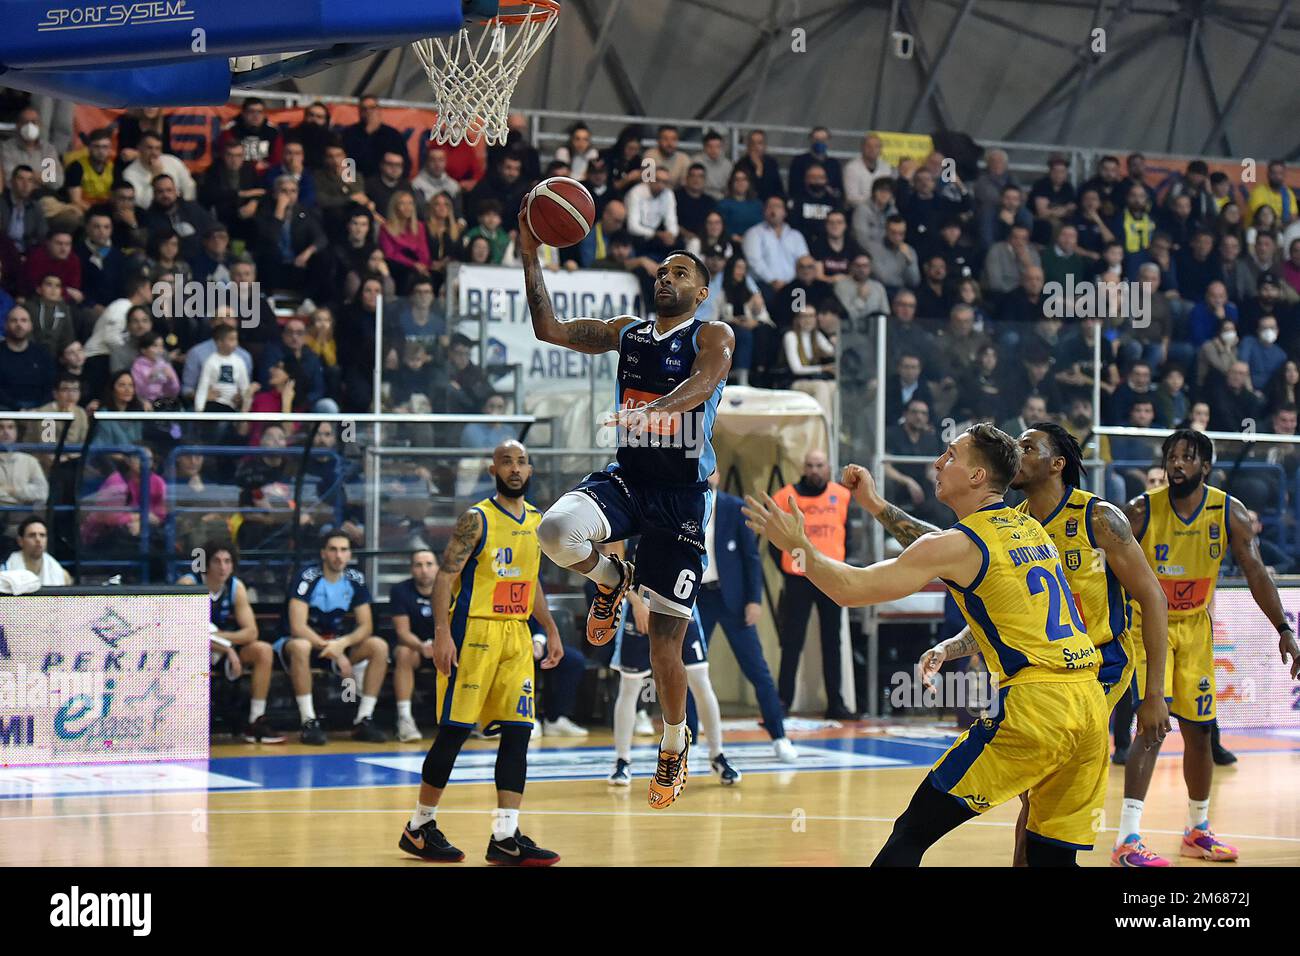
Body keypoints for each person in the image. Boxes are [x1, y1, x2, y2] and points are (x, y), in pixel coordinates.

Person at [742, 424, 1129, 867]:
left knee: (911, 831)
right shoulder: (1029, 528)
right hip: (1091, 702)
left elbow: (851, 588)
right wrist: (875, 504)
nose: (937, 463)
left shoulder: (962, 543)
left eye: (950, 455)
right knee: (1049, 860)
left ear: (977, 476)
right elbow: (945, 550)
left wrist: (797, 547)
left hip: (1036, 705)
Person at [873, 426, 1171, 866]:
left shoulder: (1098, 518)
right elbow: (998, 603)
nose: (1017, 449)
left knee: (1036, 798)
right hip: (1043, 676)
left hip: (1096, 668)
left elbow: (1153, 597)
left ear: (1057, 464)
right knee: (1036, 804)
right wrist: (953, 647)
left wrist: (1153, 695)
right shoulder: (1016, 523)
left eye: (1029, 446)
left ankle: (1129, 836)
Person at [519, 207, 733, 811]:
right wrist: (531, 252)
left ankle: (672, 742)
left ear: (701, 290)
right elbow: (549, 329)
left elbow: (705, 383)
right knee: (557, 530)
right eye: (661, 270)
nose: (666, 278)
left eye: (680, 272)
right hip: (629, 480)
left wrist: (657, 410)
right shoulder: (628, 332)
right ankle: (613, 582)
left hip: (683, 502)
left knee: (665, 640)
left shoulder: (711, 335)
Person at [1114, 430, 1300, 865]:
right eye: (1171, 457)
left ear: (1206, 467)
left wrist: (1284, 629)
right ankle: (1127, 839)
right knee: (1151, 726)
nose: (1177, 464)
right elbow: (1104, 571)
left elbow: (1255, 572)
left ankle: (1197, 830)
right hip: (1148, 628)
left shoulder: (1228, 512)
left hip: (1195, 628)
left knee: (1200, 731)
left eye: (1188, 458)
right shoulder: (1140, 512)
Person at [397, 440, 564, 865]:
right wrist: (440, 633)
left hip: (516, 636)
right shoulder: (476, 518)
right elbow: (444, 576)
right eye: (506, 461)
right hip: (473, 633)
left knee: (519, 731)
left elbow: (531, 581)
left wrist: (548, 625)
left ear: (530, 471)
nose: (515, 468)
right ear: (493, 470)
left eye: (522, 462)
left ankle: (505, 835)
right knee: (454, 732)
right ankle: (419, 826)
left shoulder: (538, 522)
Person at [606, 537, 740, 787]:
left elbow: (697, 563)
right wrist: (636, 602)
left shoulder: (684, 512)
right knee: (630, 686)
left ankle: (717, 755)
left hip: (679, 606)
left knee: (700, 680)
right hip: (639, 610)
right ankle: (622, 761)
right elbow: (614, 568)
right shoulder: (630, 516)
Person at [696, 470, 794, 761]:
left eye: (709, 470)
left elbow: (751, 558)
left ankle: (779, 735)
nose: (705, 475)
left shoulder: (733, 507)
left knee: (757, 669)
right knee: (690, 671)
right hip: (697, 597)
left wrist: (754, 600)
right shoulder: (682, 506)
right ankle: (686, 741)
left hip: (733, 599)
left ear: (717, 474)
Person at [276, 530, 390, 745]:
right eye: (333, 549)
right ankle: (308, 721)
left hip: (337, 645)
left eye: (344, 550)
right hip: (304, 645)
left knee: (379, 646)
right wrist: (334, 652)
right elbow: (297, 626)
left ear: (349, 554)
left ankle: (363, 719)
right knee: (300, 646)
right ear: (323, 553)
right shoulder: (307, 576)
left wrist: (342, 645)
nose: (339, 555)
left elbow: (366, 626)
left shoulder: (355, 578)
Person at [770, 450, 854, 719]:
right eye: (810, 465)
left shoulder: (841, 495)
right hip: (798, 578)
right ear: (803, 468)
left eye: (819, 465)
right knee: (792, 641)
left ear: (827, 467)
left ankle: (836, 704)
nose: (815, 470)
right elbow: (773, 541)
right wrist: (787, 569)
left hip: (830, 576)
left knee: (833, 642)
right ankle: (782, 703)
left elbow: (847, 536)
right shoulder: (785, 497)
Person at [179, 540, 283, 743]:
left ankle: (256, 721)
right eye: (217, 561)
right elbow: (187, 631)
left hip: (220, 647)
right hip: (192, 650)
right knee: (190, 651)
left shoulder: (236, 587)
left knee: (263, 650)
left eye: (227, 561)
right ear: (206, 564)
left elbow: (251, 632)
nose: (223, 567)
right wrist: (227, 649)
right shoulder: (189, 583)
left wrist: (221, 638)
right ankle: (185, 724)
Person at [389, 548, 440, 742]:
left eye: (429, 564)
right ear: (411, 569)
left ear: (437, 567)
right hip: (416, 649)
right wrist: (422, 647)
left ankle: (475, 718)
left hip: (445, 648)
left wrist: (441, 645)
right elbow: (402, 632)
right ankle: (404, 718)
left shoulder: (450, 588)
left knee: (473, 651)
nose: (424, 570)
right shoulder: (401, 591)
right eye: (418, 565)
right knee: (403, 652)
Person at [2, 515, 71, 585]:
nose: (38, 539)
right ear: (20, 541)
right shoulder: (5, 570)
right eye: (32, 535)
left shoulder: (61, 574)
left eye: (42, 535)